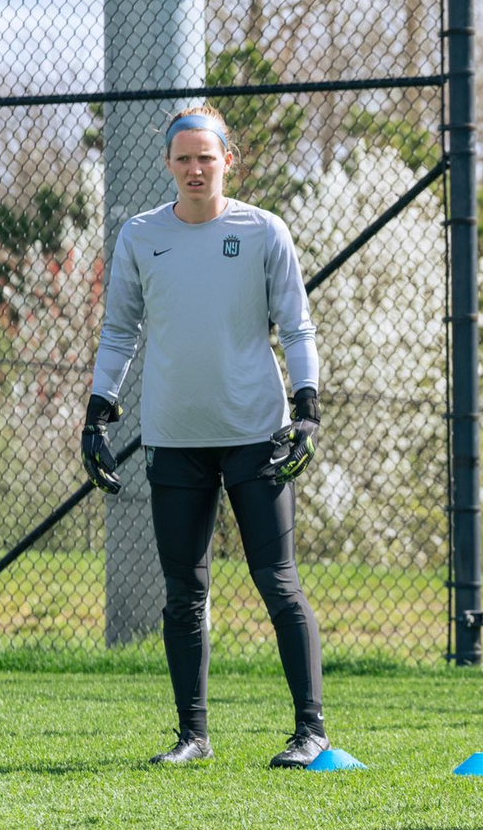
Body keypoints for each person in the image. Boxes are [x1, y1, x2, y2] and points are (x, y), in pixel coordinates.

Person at [82, 105, 331, 769]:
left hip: (256, 433)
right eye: (184, 158)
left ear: (228, 161)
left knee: (276, 581)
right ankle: (192, 736)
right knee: (183, 593)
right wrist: (97, 413)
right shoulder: (140, 236)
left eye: (206, 157)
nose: (195, 169)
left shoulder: (263, 230)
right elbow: (119, 331)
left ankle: (311, 732)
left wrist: (306, 408)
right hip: (175, 437)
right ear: (168, 163)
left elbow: (296, 325)